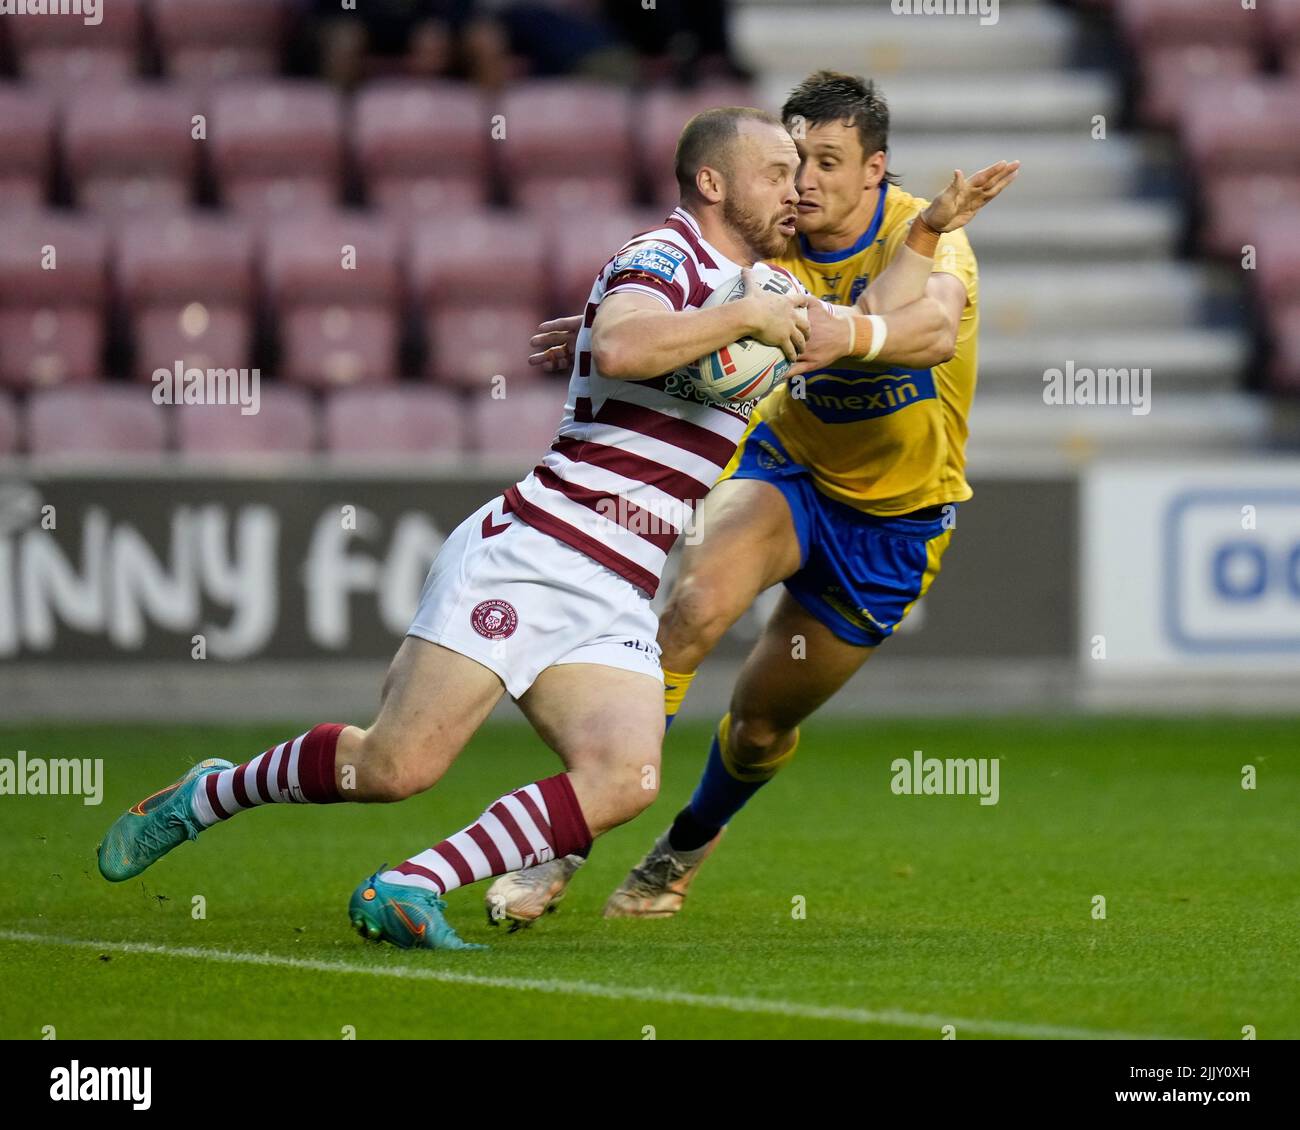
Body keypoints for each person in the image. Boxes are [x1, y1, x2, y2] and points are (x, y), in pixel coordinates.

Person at [97, 105, 951, 952]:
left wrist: (926, 237)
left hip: (618, 584)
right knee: (394, 768)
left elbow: (876, 323)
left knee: (625, 777)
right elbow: (620, 348)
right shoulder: (661, 256)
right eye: (776, 172)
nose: (795, 190)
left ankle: (409, 885)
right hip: (538, 548)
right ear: (712, 183)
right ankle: (208, 794)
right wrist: (734, 323)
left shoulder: (776, 293)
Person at [489, 72, 1018, 925]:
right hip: (787, 473)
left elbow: (928, 330)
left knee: (761, 727)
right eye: (793, 158)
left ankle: (684, 847)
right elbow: (679, 297)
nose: (802, 180)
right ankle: (571, 833)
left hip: (896, 521)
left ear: (875, 170)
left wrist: (846, 332)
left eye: (827, 162)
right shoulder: (772, 237)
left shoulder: (926, 235)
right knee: (692, 608)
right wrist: (601, 326)